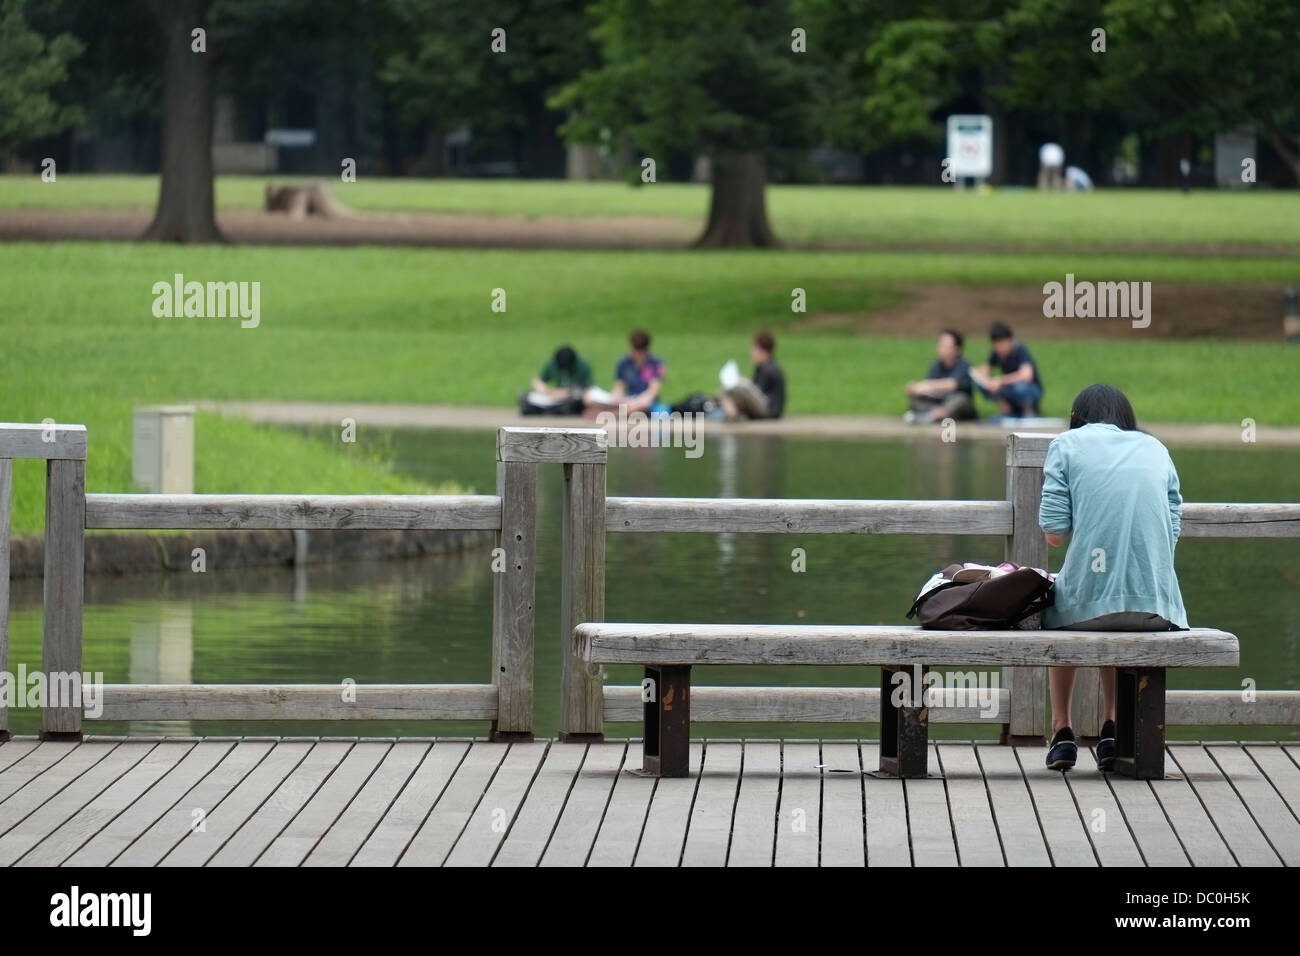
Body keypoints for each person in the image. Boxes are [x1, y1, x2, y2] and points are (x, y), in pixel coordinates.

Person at [1038, 385, 1189, 773]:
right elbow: (1171, 525)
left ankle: (1062, 731)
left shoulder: (1067, 444)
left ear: (1077, 418)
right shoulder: (1155, 448)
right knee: (1112, 605)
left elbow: (1054, 532)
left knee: (1065, 604)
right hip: (1157, 607)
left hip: (1089, 610)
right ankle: (1112, 727)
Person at [903, 329, 977, 423]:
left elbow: (952, 384)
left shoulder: (964, 365)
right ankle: (935, 415)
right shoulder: (936, 365)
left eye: (946, 345)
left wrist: (925, 385)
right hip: (939, 403)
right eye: (940, 344)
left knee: (960, 400)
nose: (941, 348)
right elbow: (929, 391)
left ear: (957, 349)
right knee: (915, 400)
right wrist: (917, 389)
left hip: (957, 405)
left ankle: (931, 416)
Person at [971, 322, 1043, 417]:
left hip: (1030, 389)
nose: (999, 348)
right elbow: (986, 368)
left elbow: (1026, 375)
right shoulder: (996, 353)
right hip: (1008, 390)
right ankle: (1007, 409)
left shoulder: (1020, 350)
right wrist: (985, 379)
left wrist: (1000, 381)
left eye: (1002, 343)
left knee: (1020, 387)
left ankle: (1029, 411)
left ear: (1010, 340)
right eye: (996, 344)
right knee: (983, 384)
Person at [586, 329, 664, 415]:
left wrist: (635, 400)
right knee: (590, 396)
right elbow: (619, 388)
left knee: (645, 403)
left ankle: (612, 414)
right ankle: (612, 412)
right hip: (628, 399)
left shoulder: (656, 363)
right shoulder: (624, 363)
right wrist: (616, 398)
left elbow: (653, 391)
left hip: (644, 401)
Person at [719, 331, 786, 420]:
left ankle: (733, 413)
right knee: (730, 389)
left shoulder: (770, 369)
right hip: (765, 406)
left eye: (754, 349)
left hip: (770, 410)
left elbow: (757, 392)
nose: (752, 352)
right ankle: (732, 412)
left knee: (741, 385)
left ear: (762, 350)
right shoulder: (761, 367)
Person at [520, 345, 593, 414]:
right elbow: (538, 381)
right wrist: (544, 389)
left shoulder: (582, 365)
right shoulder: (551, 363)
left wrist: (570, 392)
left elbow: (588, 387)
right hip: (553, 396)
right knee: (526, 396)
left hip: (573, 397)